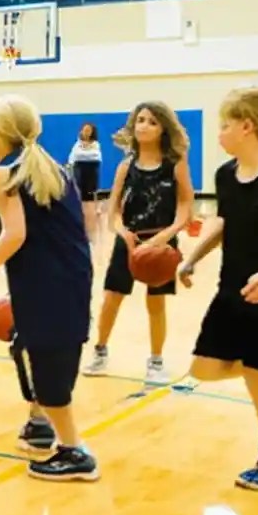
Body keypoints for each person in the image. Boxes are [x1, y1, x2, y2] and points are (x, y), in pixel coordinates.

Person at [0, 95, 98, 482]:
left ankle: (74, 451)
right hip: (73, 275)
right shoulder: (55, 168)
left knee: (45, 367)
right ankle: (44, 427)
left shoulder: (2, 173)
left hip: (45, 279)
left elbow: (14, 235)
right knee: (35, 351)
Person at [180, 88, 258, 490]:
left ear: (247, 126)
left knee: (256, 374)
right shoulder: (225, 174)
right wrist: (193, 257)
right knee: (201, 368)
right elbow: (224, 223)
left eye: (224, 125)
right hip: (232, 288)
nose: (219, 133)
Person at [84, 102, 194, 383]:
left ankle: (156, 362)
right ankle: (100, 351)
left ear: (163, 130)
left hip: (162, 243)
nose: (144, 125)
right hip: (130, 241)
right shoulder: (126, 166)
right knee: (111, 299)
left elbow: (185, 209)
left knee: (156, 304)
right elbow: (114, 212)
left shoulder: (175, 165)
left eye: (153, 122)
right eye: (141, 120)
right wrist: (123, 233)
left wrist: (162, 238)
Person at [67, 122, 103, 246]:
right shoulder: (77, 144)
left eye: (89, 130)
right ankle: (81, 226)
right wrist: (83, 156)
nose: (86, 132)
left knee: (90, 199)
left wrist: (83, 155)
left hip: (91, 172)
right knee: (80, 198)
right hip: (79, 172)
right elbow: (73, 157)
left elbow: (96, 156)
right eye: (84, 130)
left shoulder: (96, 144)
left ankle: (92, 231)